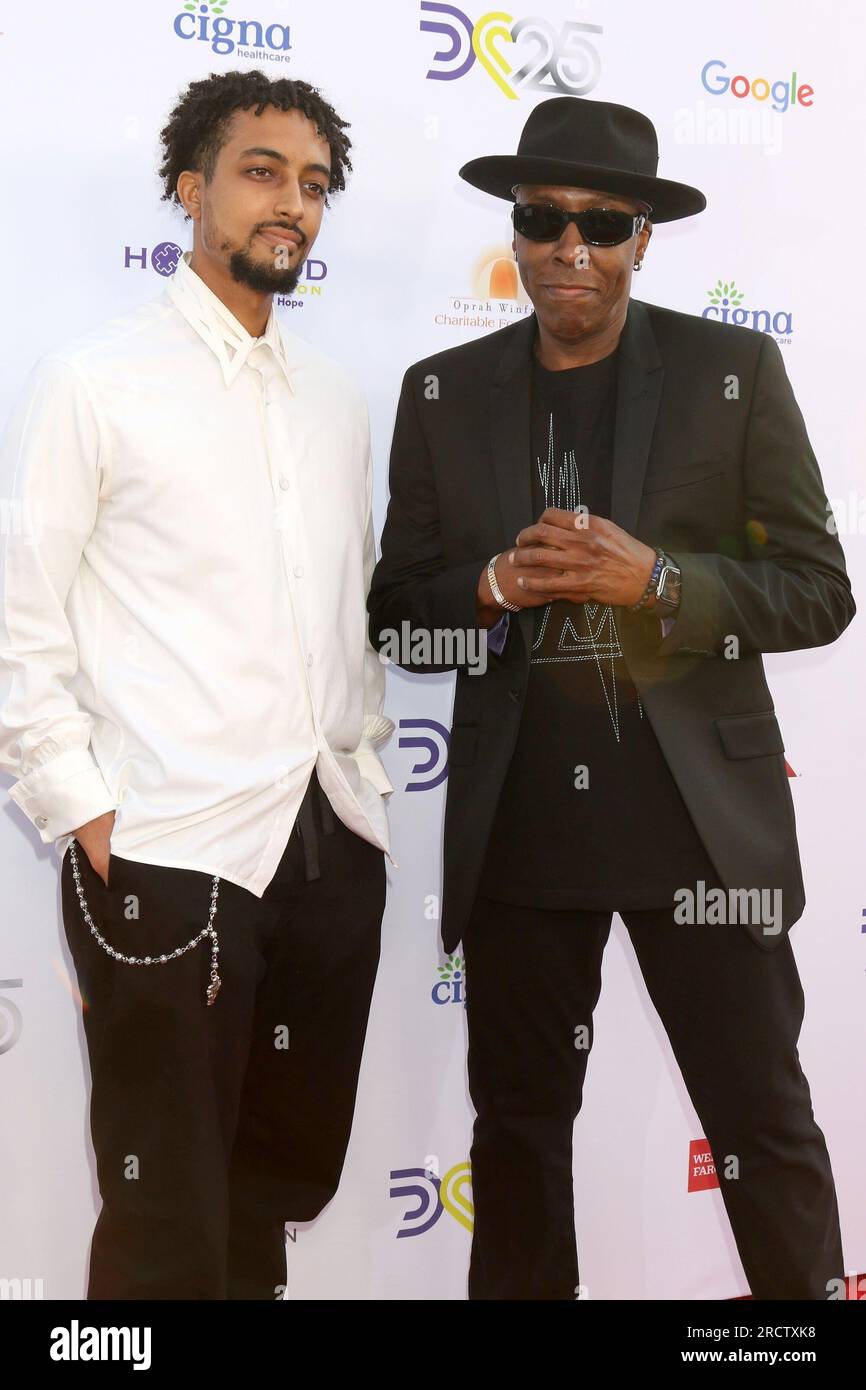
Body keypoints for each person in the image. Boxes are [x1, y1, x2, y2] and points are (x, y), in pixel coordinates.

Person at [368, 95, 855, 1300]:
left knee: (761, 1126)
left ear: (644, 236)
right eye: (542, 220)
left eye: (601, 224)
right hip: (525, 835)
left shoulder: (730, 370)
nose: (569, 250)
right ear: (515, 232)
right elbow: (397, 615)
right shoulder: (441, 392)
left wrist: (663, 582)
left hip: (700, 830)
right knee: (520, 1142)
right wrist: (487, 583)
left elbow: (817, 591)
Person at [0, 68, 394, 1300]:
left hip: (325, 847)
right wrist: (83, 809)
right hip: (168, 853)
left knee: (268, 1197)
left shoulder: (335, 403)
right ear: (192, 188)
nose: (293, 204)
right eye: (262, 171)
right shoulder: (95, 380)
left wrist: (362, 780)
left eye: (315, 184)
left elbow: (345, 623)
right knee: (162, 1215)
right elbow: (20, 619)